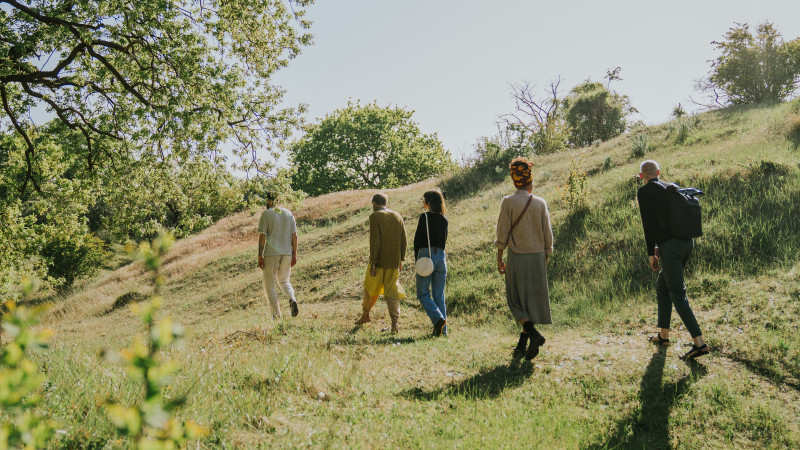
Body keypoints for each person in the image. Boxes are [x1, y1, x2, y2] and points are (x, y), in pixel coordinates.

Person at [637, 160, 709, 359]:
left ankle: (699, 343)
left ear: (641, 176)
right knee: (662, 287)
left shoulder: (644, 192)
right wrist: (660, 246)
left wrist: (651, 253)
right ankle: (664, 335)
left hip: (671, 249)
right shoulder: (671, 187)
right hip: (686, 244)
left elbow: (648, 224)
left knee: (677, 293)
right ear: (659, 172)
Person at [495, 157, 553, 361]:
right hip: (537, 256)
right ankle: (522, 345)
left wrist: (499, 257)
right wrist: (546, 256)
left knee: (515, 300)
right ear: (530, 179)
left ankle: (533, 334)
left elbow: (502, 232)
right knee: (530, 301)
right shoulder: (540, 203)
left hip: (517, 257)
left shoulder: (508, 202)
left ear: (514, 181)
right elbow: (547, 233)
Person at [356, 192, 407, 333]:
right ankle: (395, 323)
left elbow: (375, 240)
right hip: (394, 262)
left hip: (378, 262)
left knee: (370, 288)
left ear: (374, 203)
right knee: (392, 292)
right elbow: (404, 239)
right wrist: (401, 259)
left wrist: (373, 261)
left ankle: (365, 315)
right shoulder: (397, 216)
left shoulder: (375, 216)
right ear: (386, 203)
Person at [257, 192, 299, 320]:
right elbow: (294, 236)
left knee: (270, 285)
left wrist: (260, 255)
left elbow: (262, 237)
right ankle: (292, 298)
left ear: (269, 200)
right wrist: (294, 254)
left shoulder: (266, 214)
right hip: (287, 253)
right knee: (284, 280)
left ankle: (276, 316)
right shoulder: (288, 214)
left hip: (271, 254)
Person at [414, 189, 449, 336]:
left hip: (426, 255)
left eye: (424, 199)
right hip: (441, 256)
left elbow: (418, 239)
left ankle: (438, 319)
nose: (423, 202)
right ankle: (443, 331)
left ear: (429, 202)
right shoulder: (444, 219)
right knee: (439, 294)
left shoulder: (425, 217)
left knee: (422, 294)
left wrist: (416, 259)